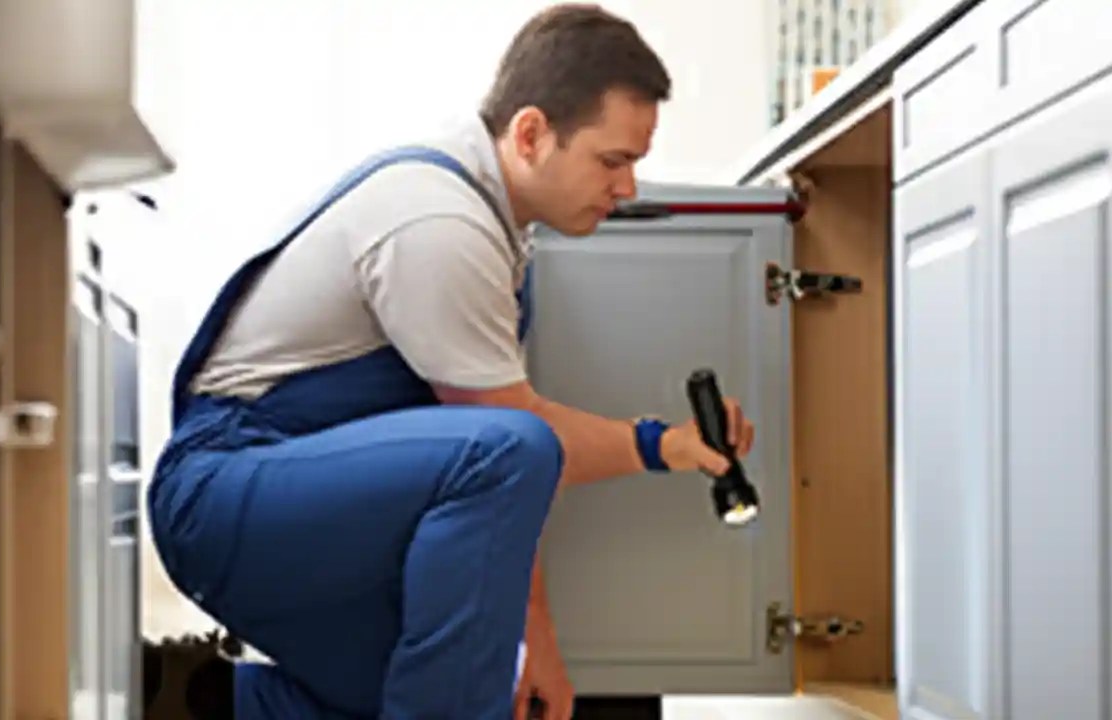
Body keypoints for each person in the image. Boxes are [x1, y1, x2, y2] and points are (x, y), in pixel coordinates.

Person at [145, 3, 756, 719]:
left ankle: (180, 696)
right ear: (530, 134)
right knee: (508, 455)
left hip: (296, 499)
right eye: (612, 161)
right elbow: (508, 442)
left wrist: (538, 646)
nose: (626, 190)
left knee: (439, 688)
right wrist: (658, 444)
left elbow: (501, 493)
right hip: (226, 495)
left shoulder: (493, 228)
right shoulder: (442, 223)